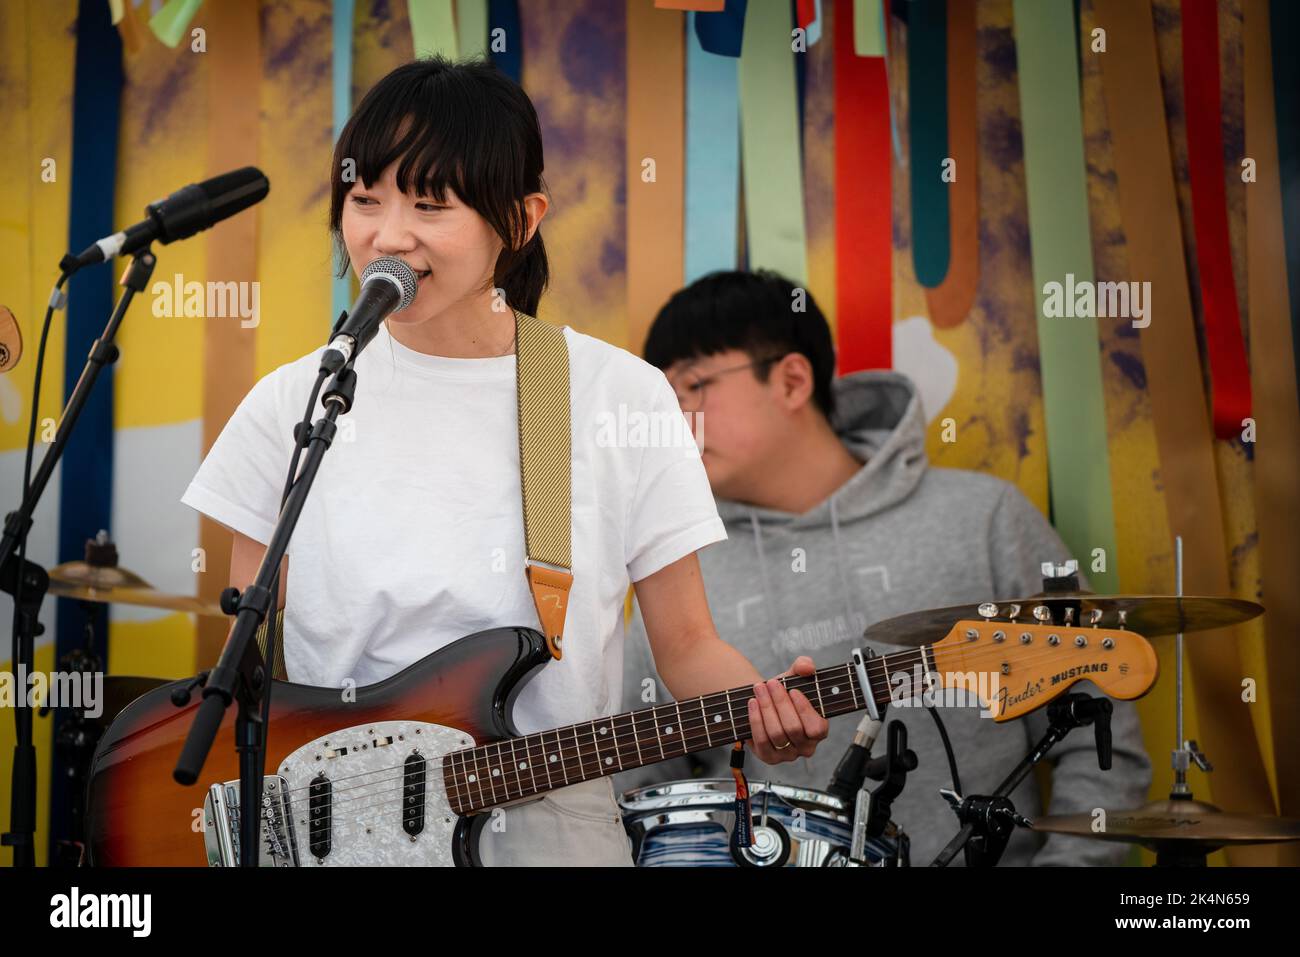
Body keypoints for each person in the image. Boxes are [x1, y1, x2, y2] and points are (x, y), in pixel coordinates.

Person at [180, 59, 827, 866]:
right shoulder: (291, 403)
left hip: (549, 826)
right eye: (365, 199)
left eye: (430, 204)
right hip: (331, 831)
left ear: (520, 222)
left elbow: (689, 644)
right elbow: (251, 659)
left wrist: (767, 712)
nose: (387, 236)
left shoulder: (613, 393)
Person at [616, 270, 1152, 866]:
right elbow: (640, 793)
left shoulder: (983, 517)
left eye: (692, 385)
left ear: (792, 380)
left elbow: (1101, 741)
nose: (674, 419)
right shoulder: (677, 576)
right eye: (663, 400)